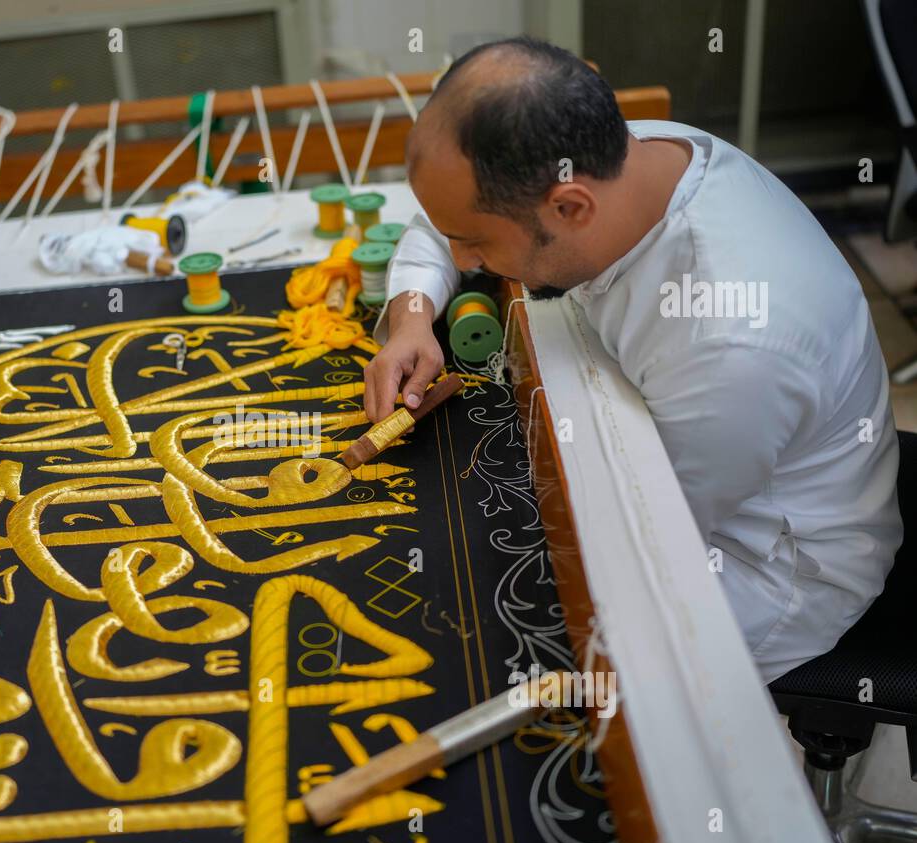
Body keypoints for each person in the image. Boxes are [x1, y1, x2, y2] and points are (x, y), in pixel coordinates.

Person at [367, 37, 902, 682]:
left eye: (476, 244)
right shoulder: (623, 156)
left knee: (484, 647)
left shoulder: (730, 340)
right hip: (673, 462)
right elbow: (451, 218)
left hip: (756, 566)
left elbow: (644, 535)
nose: (461, 259)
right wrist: (412, 315)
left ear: (570, 208)